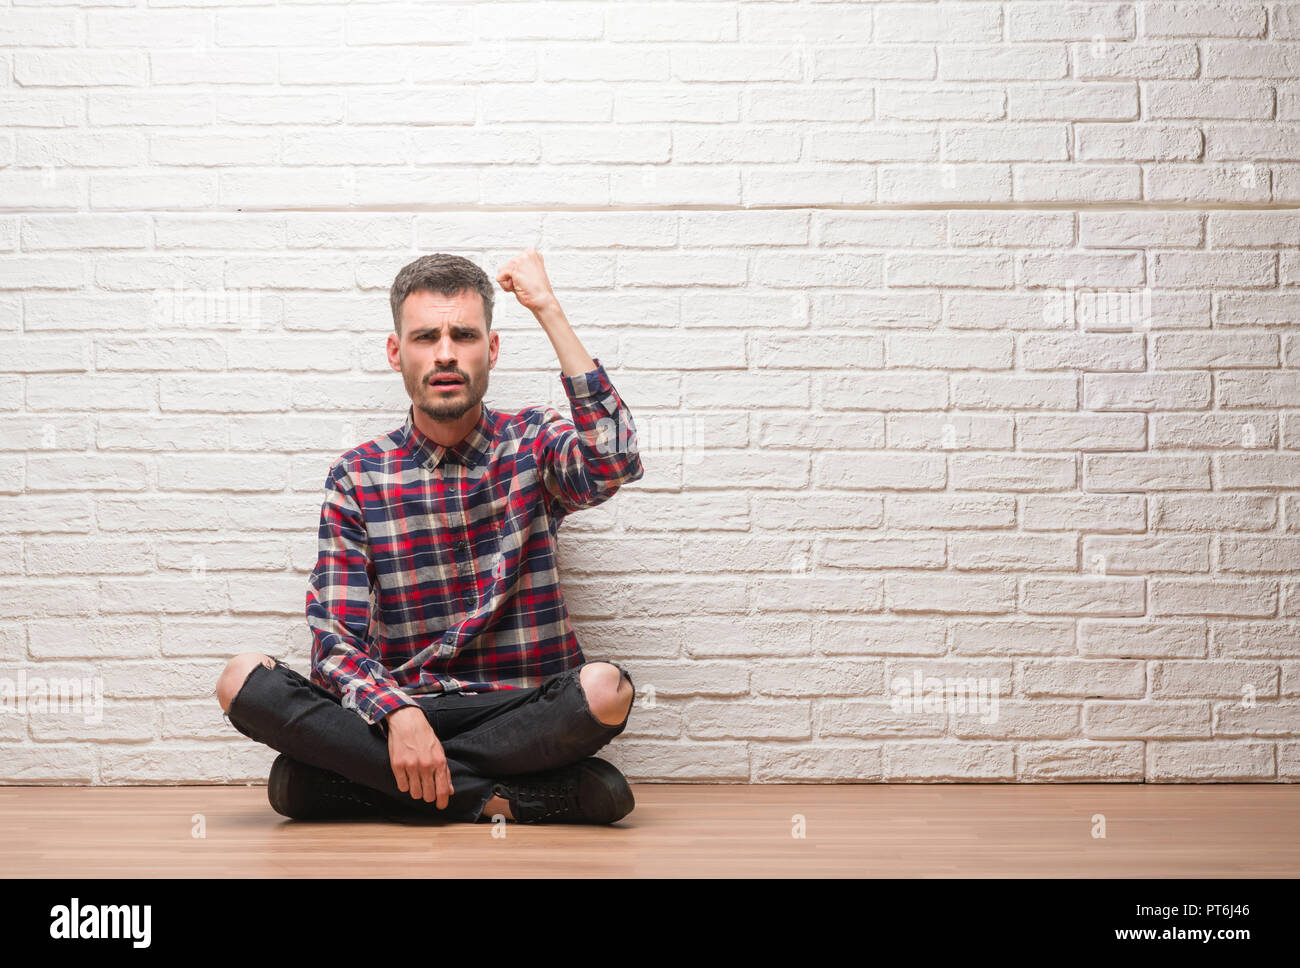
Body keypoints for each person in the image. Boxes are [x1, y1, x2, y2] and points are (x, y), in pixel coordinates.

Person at [215, 248, 645, 825]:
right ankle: (493, 797)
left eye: (463, 334)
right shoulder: (356, 476)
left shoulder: (534, 441)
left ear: (491, 350)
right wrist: (398, 713)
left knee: (606, 691)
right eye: (425, 337)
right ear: (397, 353)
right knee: (240, 680)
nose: (445, 353)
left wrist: (547, 308)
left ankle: (354, 784)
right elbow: (335, 637)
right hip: (402, 711)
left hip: (517, 711)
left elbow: (614, 461)